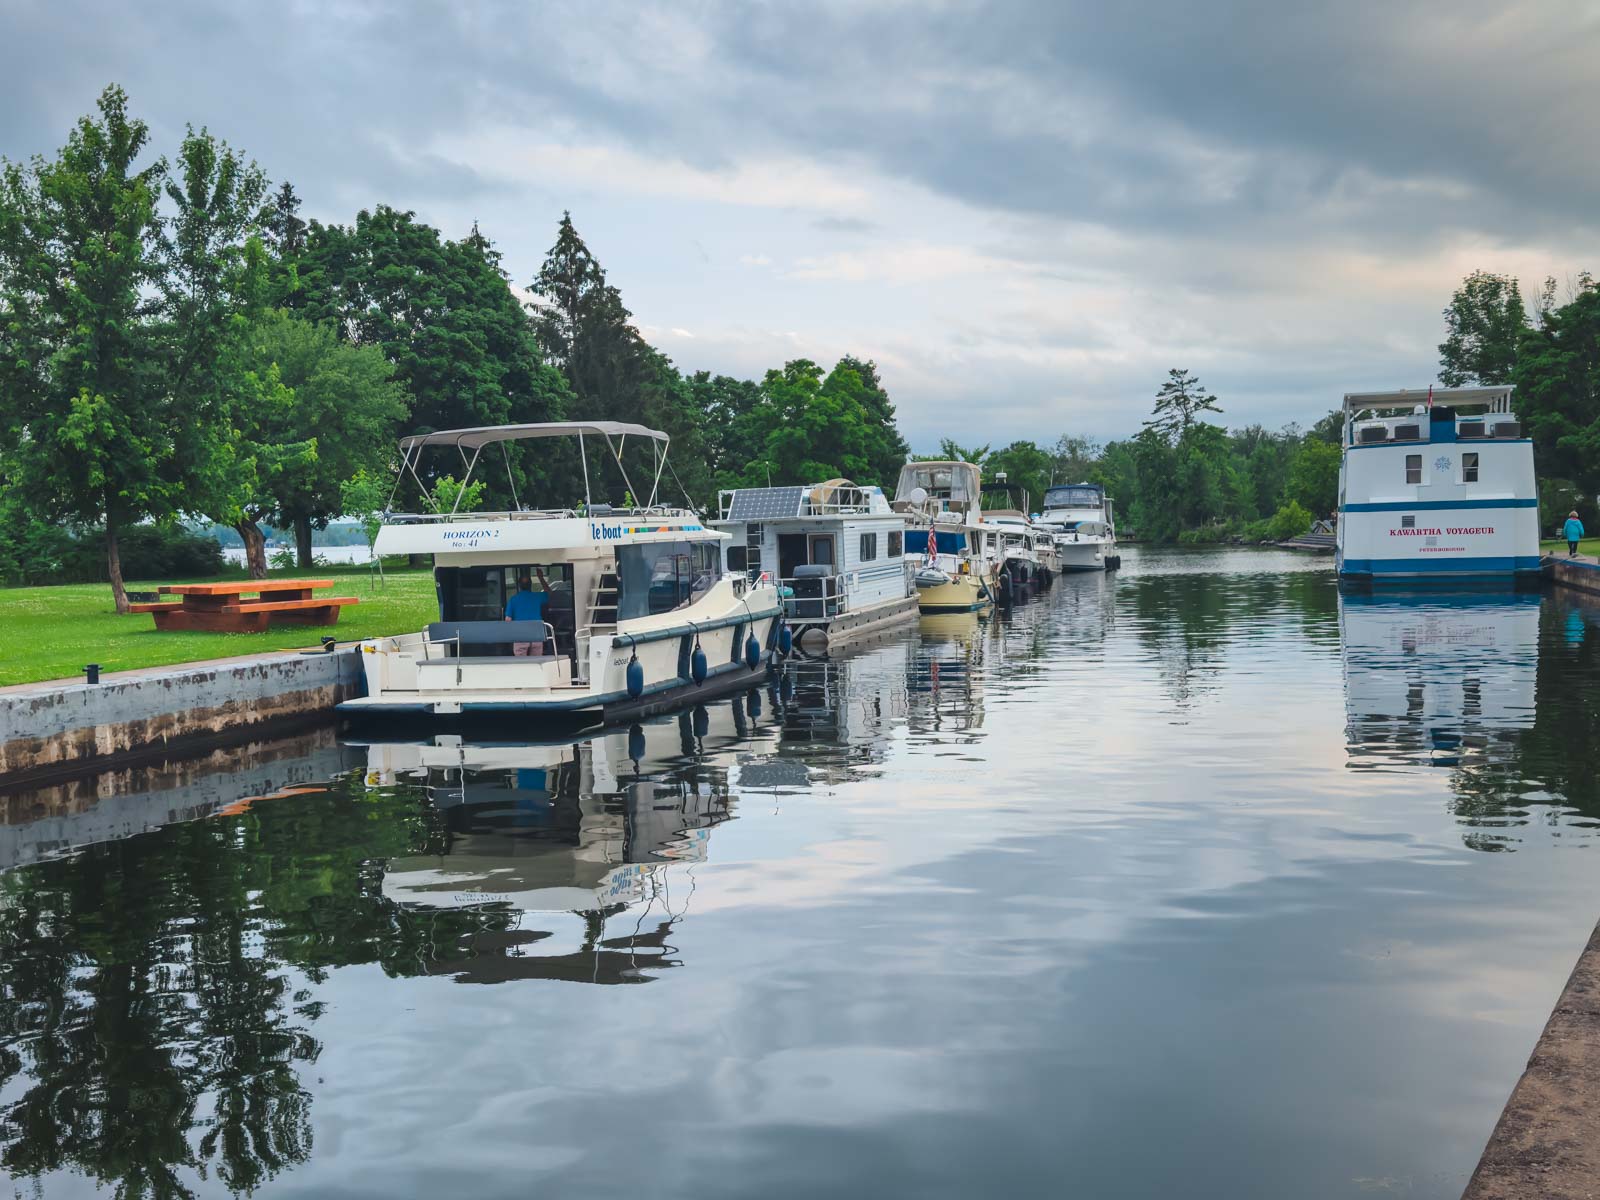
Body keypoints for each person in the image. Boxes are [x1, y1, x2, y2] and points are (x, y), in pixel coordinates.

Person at [504, 573, 547, 656]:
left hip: (520, 636)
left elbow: (508, 620)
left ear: (519, 586)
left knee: (522, 664)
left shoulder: (513, 599)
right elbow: (549, 593)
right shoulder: (537, 597)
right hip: (536, 635)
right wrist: (540, 578)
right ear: (530, 585)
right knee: (536, 663)